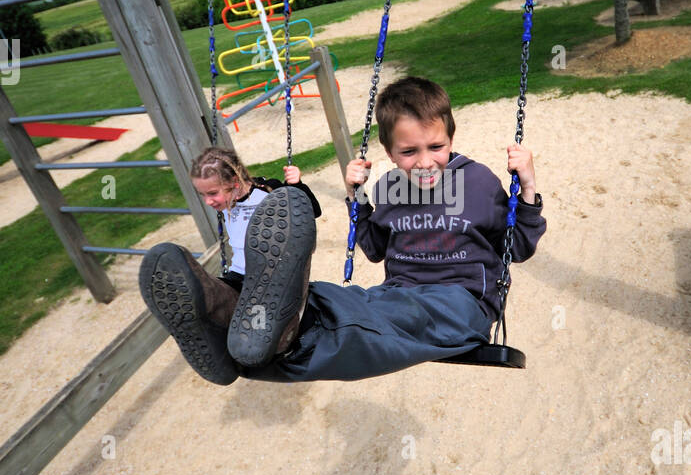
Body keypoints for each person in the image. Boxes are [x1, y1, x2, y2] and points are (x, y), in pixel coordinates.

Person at [139, 77, 545, 385]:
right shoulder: (390, 187)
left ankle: (275, 332)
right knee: (332, 299)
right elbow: (374, 248)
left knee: (367, 325)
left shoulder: (477, 181)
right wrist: (358, 200)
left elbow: (519, 247)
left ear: (450, 138)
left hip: (462, 303)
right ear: (390, 153)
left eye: (435, 147)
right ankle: (227, 310)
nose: (424, 162)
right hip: (397, 293)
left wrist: (526, 186)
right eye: (408, 152)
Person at [186, 146, 321, 292]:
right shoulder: (226, 203)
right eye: (203, 195)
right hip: (238, 276)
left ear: (234, 182)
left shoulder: (268, 192)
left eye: (212, 193)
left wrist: (296, 186)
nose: (207, 201)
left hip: (273, 274)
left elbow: (313, 211)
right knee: (210, 294)